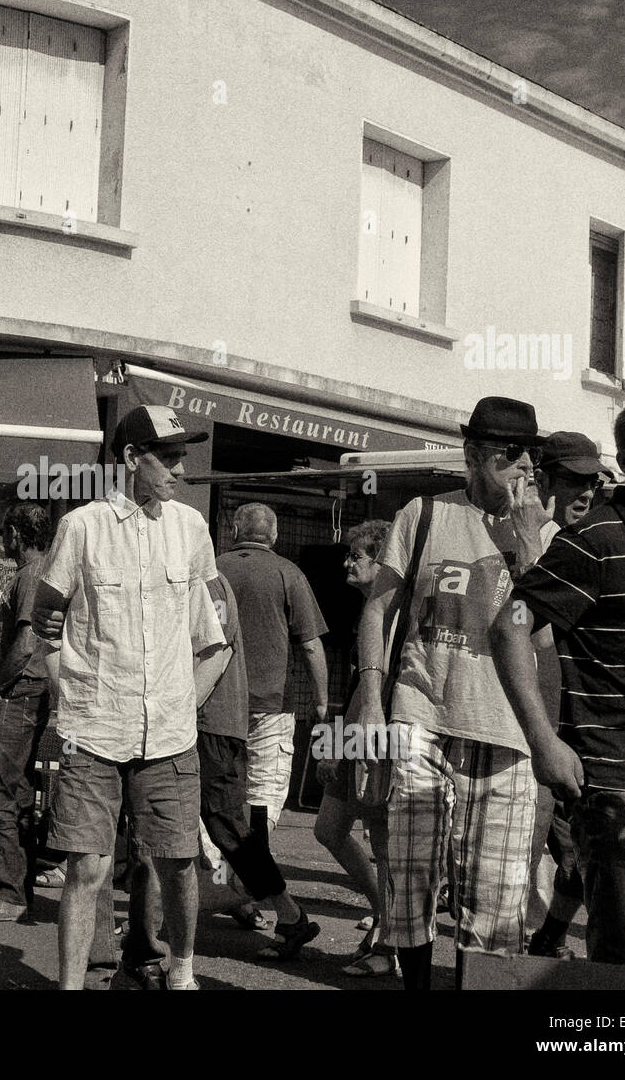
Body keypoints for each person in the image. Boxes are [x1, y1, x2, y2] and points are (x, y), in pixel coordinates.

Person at [493, 394, 625, 965]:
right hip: (610, 776)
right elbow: (509, 630)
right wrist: (544, 743)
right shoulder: (594, 540)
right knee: (622, 951)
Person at [357, 396, 551, 991]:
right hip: (422, 714)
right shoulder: (424, 514)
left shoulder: (545, 528)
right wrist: (369, 693)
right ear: (471, 455)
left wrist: (530, 545)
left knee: (494, 902)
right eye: (506, 453)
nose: (521, 465)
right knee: (410, 877)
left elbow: (546, 632)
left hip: (508, 728)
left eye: (529, 454)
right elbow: (379, 607)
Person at [32, 405, 227, 991]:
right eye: (166, 456)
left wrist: (184, 706)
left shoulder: (191, 528)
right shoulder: (82, 526)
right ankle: (69, 986)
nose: (179, 467)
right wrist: (71, 698)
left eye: (180, 456)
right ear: (130, 460)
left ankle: (182, 969)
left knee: (176, 861)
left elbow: (212, 637)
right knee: (86, 867)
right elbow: (44, 622)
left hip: (169, 732)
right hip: (94, 731)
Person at [525, 431, 608, 959]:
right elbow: (524, 630)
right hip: (533, 728)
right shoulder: (534, 538)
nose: (585, 491)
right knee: (526, 855)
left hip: (583, 729)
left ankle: (549, 936)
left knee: (583, 853)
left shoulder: (591, 539)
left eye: (593, 481)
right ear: (544, 479)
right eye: (574, 479)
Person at [216, 503, 329, 852]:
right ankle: (248, 872)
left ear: (234, 531)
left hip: (215, 703)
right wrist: (322, 702)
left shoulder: (211, 570)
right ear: (275, 534)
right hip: (273, 706)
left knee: (219, 793)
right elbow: (310, 646)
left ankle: (222, 873)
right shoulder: (288, 573)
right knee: (263, 794)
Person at [313, 520, 396, 977]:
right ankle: (384, 911)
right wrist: (334, 746)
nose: (347, 562)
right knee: (328, 828)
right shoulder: (363, 611)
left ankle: (389, 941)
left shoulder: (395, 616)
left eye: (357, 556)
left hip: (380, 738)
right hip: (352, 733)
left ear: (382, 562)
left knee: (384, 842)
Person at [0, 502, 54, 922]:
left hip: (21, 693)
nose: (1, 541)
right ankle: (18, 890)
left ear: (18, 535)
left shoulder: (31, 575)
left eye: (5, 533)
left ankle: (9, 894)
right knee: (15, 793)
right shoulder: (34, 574)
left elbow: (27, 640)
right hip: (29, 691)